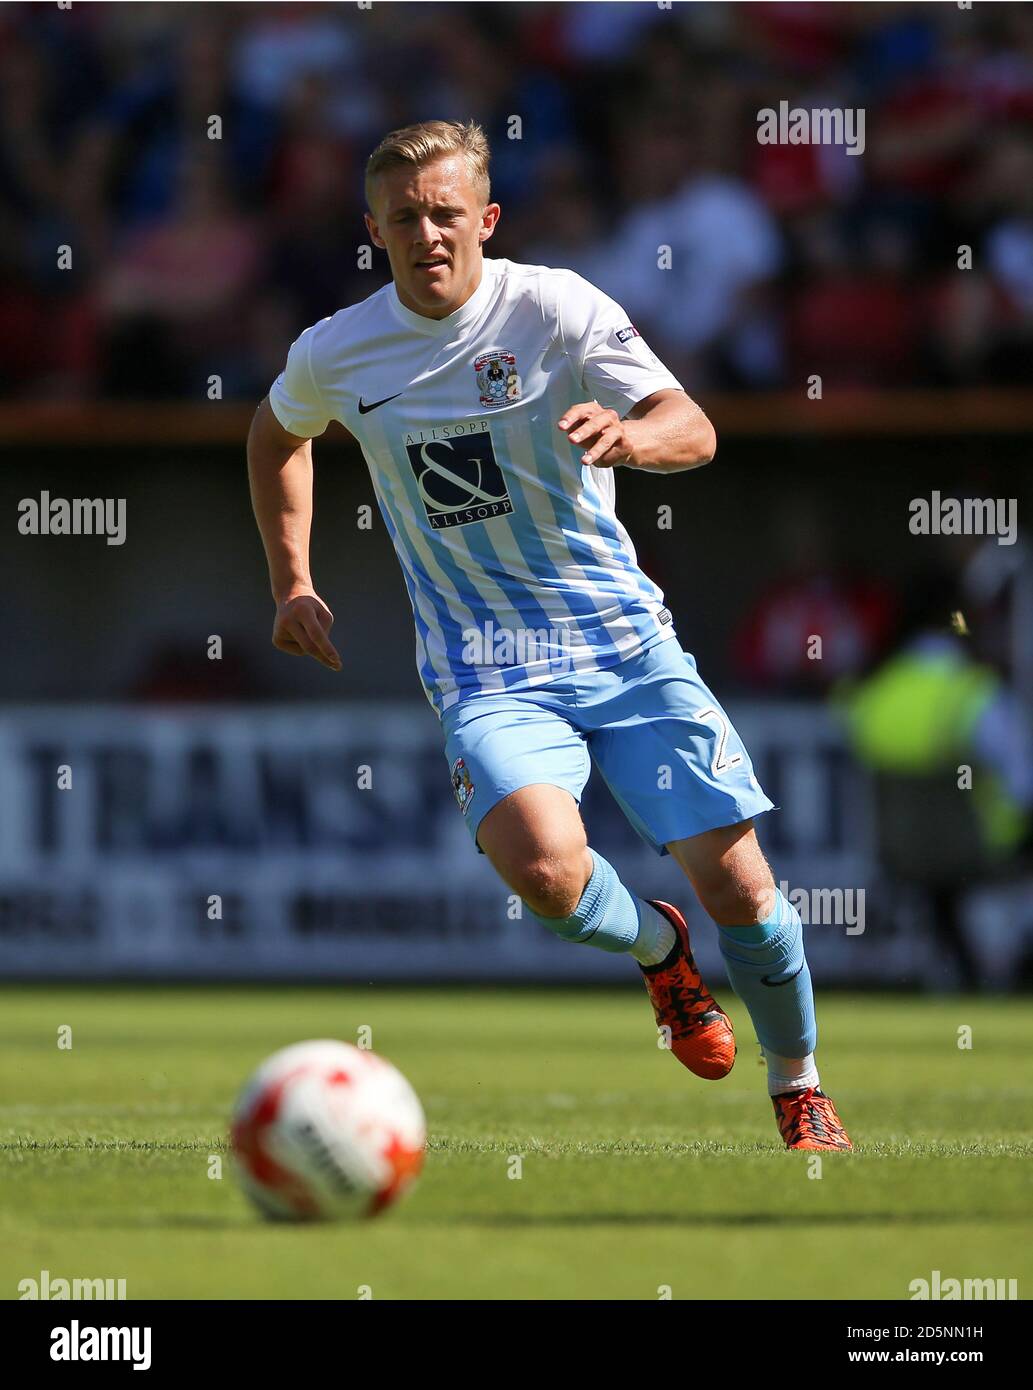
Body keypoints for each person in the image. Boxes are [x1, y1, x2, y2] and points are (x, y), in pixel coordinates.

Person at [247, 119, 851, 1151]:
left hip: (623, 645)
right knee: (547, 876)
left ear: (484, 218)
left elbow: (691, 425)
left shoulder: (556, 308)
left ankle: (796, 1083)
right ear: (374, 229)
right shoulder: (339, 349)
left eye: (445, 215)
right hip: (485, 672)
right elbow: (274, 437)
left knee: (742, 886)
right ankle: (661, 953)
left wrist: (631, 436)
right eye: (404, 219)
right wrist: (293, 579)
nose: (427, 235)